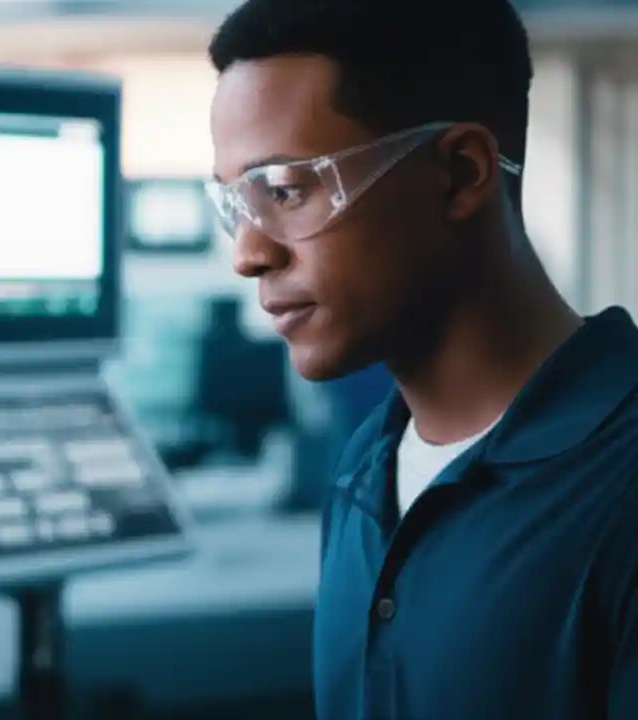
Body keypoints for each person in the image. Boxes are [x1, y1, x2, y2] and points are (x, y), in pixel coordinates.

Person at [205, 0, 638, 718]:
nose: (250, 253)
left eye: (285, 191)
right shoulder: (362, 474)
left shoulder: (620, 487)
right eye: (235, 205)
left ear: (461, 173)